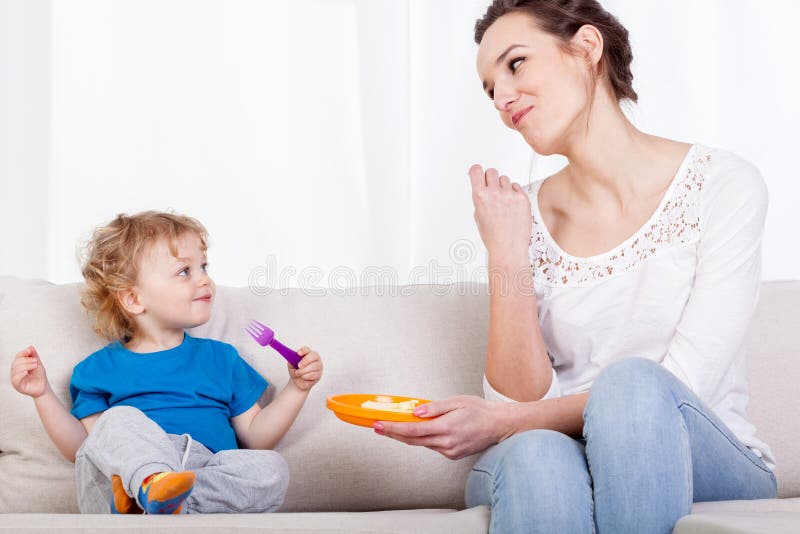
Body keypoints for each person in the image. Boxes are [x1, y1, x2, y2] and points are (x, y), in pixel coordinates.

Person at [372, 1, 777, 532]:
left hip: (705, 455)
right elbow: (518, 401)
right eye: (490, 87)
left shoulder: (723, 185)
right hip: (548, 454)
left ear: (586, 48)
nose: (501, 96)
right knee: (537, 452)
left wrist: (504, 421)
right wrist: (508, 255)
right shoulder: (521, 213)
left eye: (514, 64)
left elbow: (684, 383)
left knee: (632, 387)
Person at [9, 211, 323, 514]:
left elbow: (256, 438)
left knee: (271, 468)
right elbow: (84, 448)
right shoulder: (97, 370)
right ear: (133, 299)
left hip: (203, 471)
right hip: (121, 485)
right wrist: (42, 394)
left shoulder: (221, 359)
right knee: (118, 420)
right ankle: (149, 486)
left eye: (204, 267)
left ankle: (171, 501)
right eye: (185, 271)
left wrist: (297, 388)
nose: (205, 281)